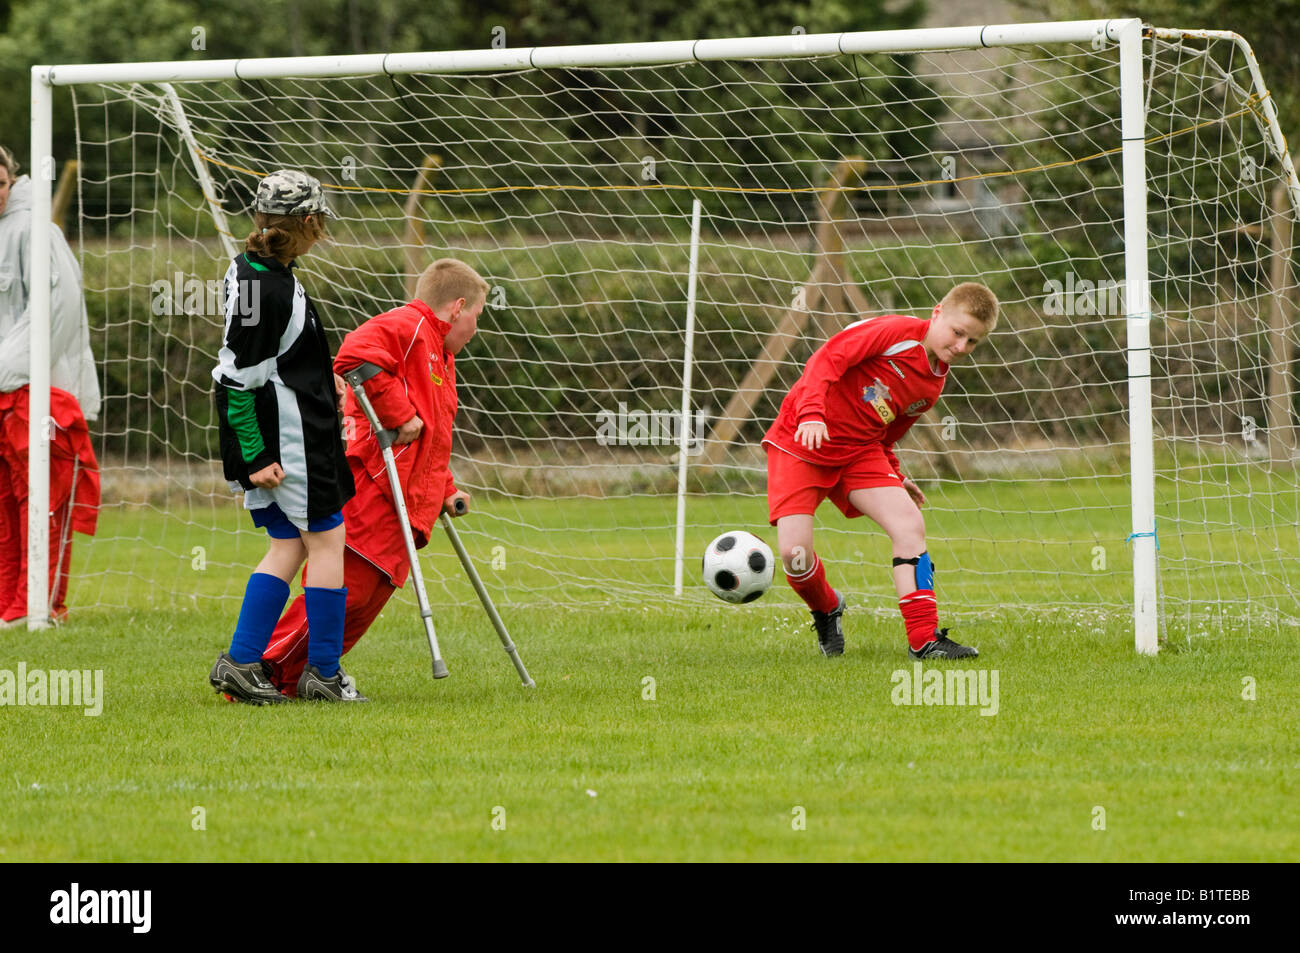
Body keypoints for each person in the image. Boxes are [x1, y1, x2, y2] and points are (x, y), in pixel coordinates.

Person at [260, 257, 485, 696]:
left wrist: (446, 488)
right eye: (477, 315)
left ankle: (308, 676)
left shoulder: (441, 355)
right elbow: (354, 353)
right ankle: (269, 668)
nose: (477, 327)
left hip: (408, 497)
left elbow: (432, 438)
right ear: (458, 307)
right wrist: (400, 415)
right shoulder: (410, 325)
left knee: (368, 597)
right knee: (350, 590)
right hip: (377, 488)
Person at [762, 282, 999, 659]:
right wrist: (811, 414)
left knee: (909, 524)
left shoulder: (933, 383)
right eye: (957, 333)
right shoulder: (892, 332)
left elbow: (885, 433)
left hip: (859, 453)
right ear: (937, 312)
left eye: (972, 342)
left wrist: (895, 474)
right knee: (795, 556)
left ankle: (924, 639)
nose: (960, 347)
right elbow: (826, 360)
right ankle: (827, 607)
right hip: (801, 441)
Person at [207, 169, 358, 703]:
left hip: (292, 427)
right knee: (326, 541)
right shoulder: (266, 286)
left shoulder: (257, 269)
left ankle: (243, 662)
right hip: (290, 439)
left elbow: (271, 359)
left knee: (288, 544)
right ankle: (324, 675)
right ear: (311, 222)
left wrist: (323, 376)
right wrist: (255, 455)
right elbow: (239, 376)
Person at [0, 144, 101, 628]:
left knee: (40, 499)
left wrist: (8, 368)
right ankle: (9, 601)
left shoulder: (38, 232)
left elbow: (53, 314)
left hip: (34, 396)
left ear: (12, 180)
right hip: (6, 391)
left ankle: (39, 604)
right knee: (5, 506)